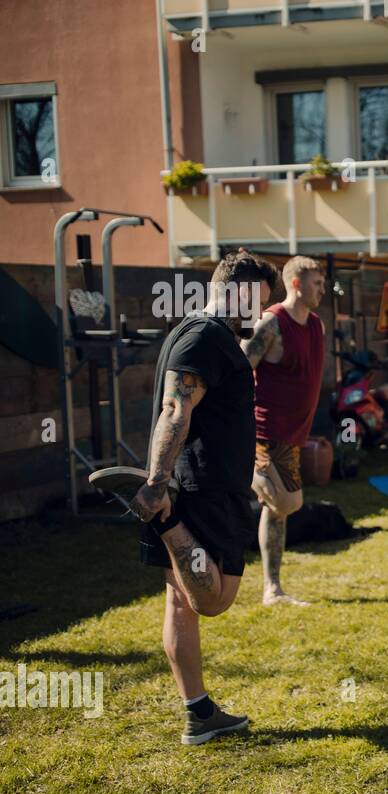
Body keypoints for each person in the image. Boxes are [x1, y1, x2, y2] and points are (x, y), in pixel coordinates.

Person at [90, 249, 278, 744]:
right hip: (202, 490)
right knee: (213, 600)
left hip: (207, 484)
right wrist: (156, 483)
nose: (259, 314)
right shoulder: (205, 336)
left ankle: (198, 714)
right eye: (257, 300)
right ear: (235, 288)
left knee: (181, 602)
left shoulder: (203, 335)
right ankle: (166, 517)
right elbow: (175, 409)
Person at [241, 256, 326, 606]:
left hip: (293, 435)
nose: (322, 289)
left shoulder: (316, 324)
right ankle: (247, 474)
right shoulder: (271, 324)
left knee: (278, 509)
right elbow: (238, 371)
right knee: (286, 502)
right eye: (316, 283)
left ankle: (272, 589)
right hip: (265, 431)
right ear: (295, 284)